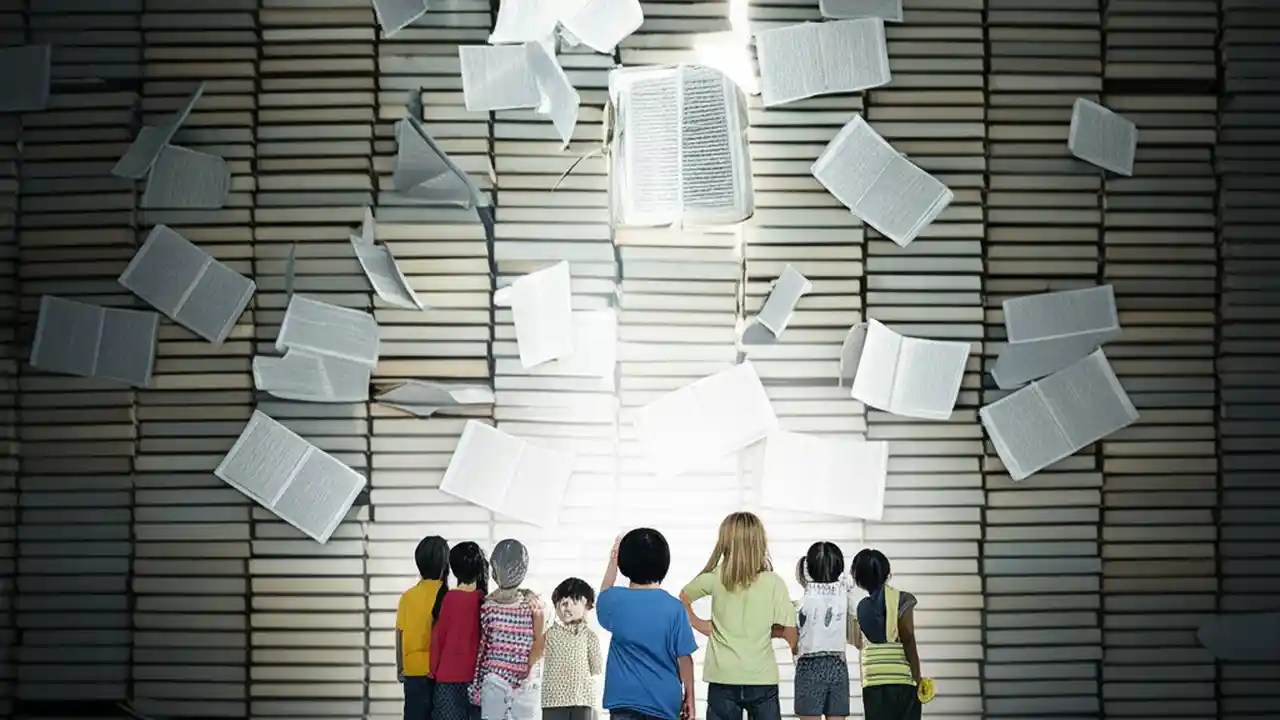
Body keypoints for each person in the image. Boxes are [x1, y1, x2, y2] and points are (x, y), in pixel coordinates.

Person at [681, 512, 797, 720]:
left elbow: (683, 598)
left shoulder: (716, 577)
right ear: (759, 542)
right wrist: (769, 632)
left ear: (725, 542)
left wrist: (699, 623)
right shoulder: (774, 583)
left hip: (722, 676)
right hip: (762, 678)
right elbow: (790, 632)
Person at [598, 528, 698, 720]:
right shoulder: (674, 608)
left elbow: (604, 593)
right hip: (663, 702)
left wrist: (612, 562)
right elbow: (685, 658)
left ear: (624, 563)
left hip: (624, 700)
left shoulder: (614, 601)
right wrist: (690, 698)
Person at [471, 539, 545, 720]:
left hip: (494, 682)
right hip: (524, 683)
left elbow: (482, 650)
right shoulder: (533, 605)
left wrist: (476, 685)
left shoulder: (487, 607)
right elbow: (539, 646)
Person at [850, 549, 922, 720]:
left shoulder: (860, 607)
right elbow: (908, 636)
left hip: (873, 683)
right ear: (886, 573)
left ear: (858, 579)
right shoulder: (902, 600)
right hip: (902, 682)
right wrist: (917, 677)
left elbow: (858, 642)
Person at [792, 542, 855, 720]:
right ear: (839, 567)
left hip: (809, 664)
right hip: (837, 663)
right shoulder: (845, 593)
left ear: (809, 568)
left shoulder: (804, 599)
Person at [431, 541, 489, 720]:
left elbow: (438, 638)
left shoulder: (449, 598)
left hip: (448, 680)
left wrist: (433, 670)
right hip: (477, 680)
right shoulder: (485, 601)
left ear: (454, 570)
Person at [398, 536, 451, 720]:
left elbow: (400, 635)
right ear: (446, 563)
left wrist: (400, 669)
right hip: (440, 674)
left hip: (412, 671)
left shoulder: (407, 597)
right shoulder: (449, 597)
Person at [541, 578, 603, 720]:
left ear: (587, 605)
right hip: (552, 700)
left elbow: (596, 668)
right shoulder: (549, 634)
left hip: (582, 699)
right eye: (561, 602)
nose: (566, 606)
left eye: (573, 601)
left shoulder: (589, 636)